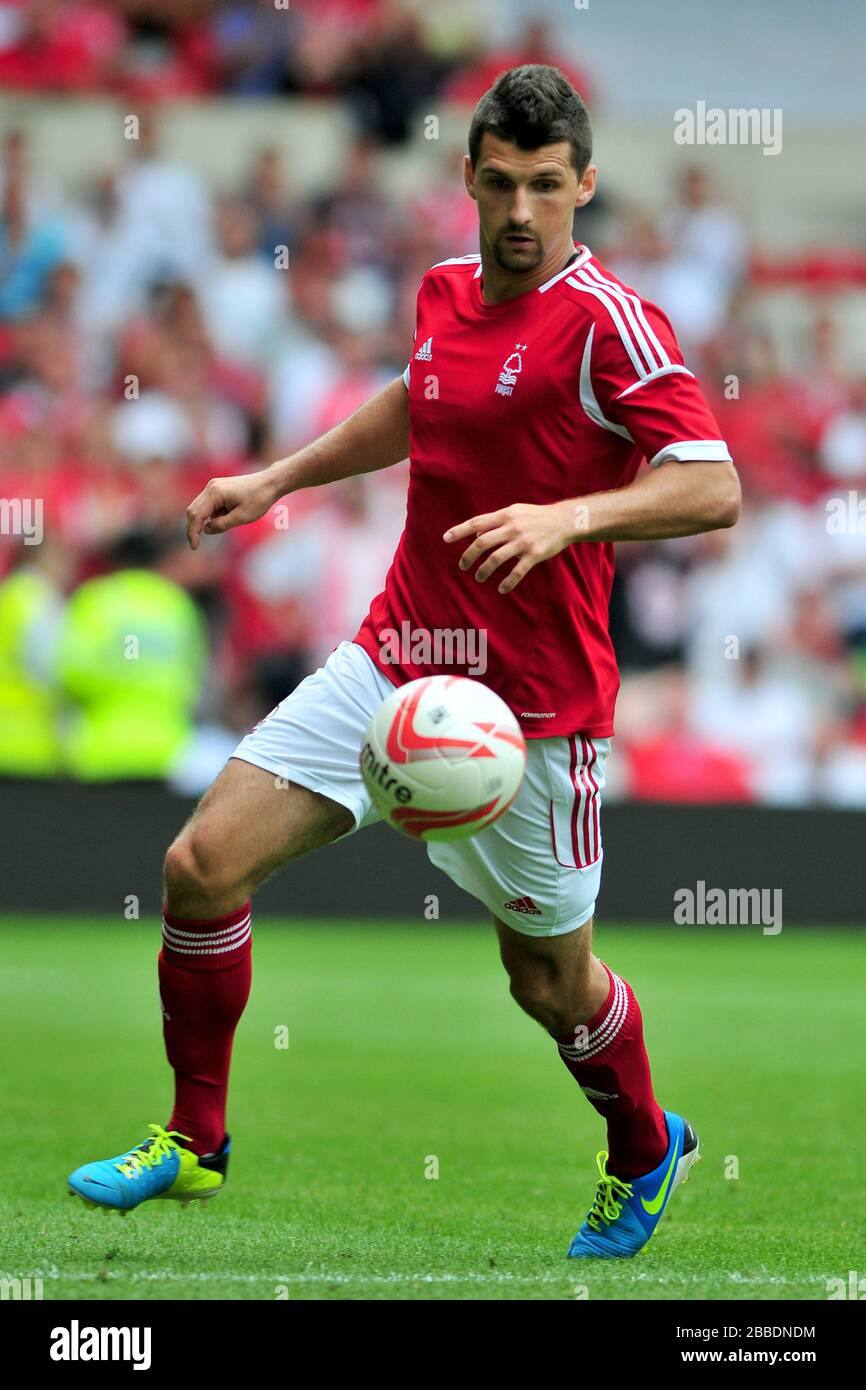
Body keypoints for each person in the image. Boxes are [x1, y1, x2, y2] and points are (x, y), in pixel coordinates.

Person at [68, 65, 740, 1259]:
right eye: (498, 184)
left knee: (548, 989)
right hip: (399, 660)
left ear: (583, 184)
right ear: (466, 182)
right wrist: (278, 476)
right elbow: (420, 401)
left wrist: (565, 518)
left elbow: (711, 482)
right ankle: (195, 1139)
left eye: (545, 186)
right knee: (200, 865)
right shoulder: (440, 292)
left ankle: (644, 1147)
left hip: (533, 718)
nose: (521, 211)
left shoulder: (610, 322)